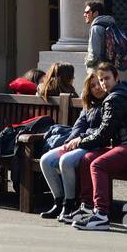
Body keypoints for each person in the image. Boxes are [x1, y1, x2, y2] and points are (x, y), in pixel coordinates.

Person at [61, 62, 127, 230]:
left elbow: (104, 133)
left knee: (98, 164)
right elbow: (104, 132)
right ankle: (87, 207)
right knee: (87, 159)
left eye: (107, 78)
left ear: (116, 78)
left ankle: (101, 214)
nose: (103, 83)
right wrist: (83, 139)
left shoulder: (115, 98)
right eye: (101, 80)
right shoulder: (122, 93)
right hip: (124, 146)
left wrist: (81, 140)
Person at [38, 73, 107, 221]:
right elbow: (78, 126)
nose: (97, 88)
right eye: (92, 85)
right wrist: (70, 141)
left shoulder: (109, 104)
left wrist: (80, 139)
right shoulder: (89, 104)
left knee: (66, 161)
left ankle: (69, 204)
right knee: (45, 160)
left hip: (95, 145)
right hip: (79, 142)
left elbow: (103, 131)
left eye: (98, 84)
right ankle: (58, 201)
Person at [83, 1, 127, 73]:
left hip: (98, 70)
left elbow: (94, 54)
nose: (84, 15)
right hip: (110, 69)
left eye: (87, 12)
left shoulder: (95, 28)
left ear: (96, 13)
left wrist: (87, 62)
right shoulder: (110, 25)